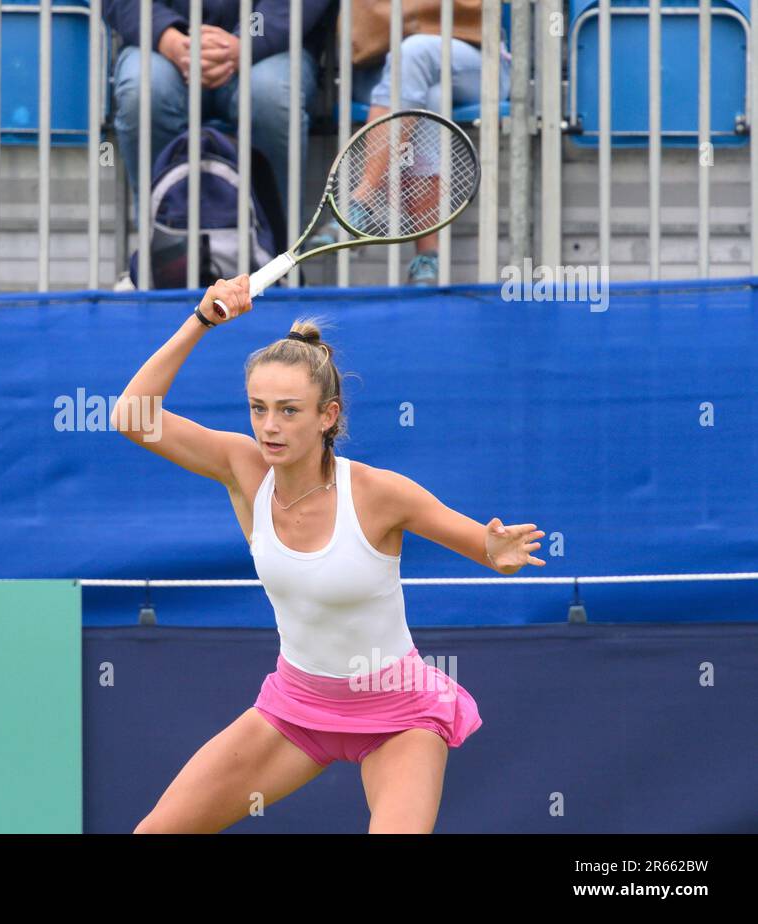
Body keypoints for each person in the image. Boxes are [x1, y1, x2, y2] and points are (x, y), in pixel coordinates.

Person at [110, 275, 545, 834]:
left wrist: (499, 550)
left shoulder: (378, 493)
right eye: (258, 408)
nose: (270, 426)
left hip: (399, 713)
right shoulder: (243, 469)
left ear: (328, 415)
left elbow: (485, 548)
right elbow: (131, 416)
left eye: (289, 411)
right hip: (295, 707)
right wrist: (202, 321)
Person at [312, 0, 511, 285]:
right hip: (377, 65)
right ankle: (428, 255)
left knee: (413, 52)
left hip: (476, 62)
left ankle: (361, 203)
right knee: (430, 98)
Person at [102, 0, 333, 233]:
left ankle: (275, 252)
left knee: (270, 96)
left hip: (271, 47)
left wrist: (246, 43)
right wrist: (169, 39)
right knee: (145, 91)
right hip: (162, 46)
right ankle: (163, 245)